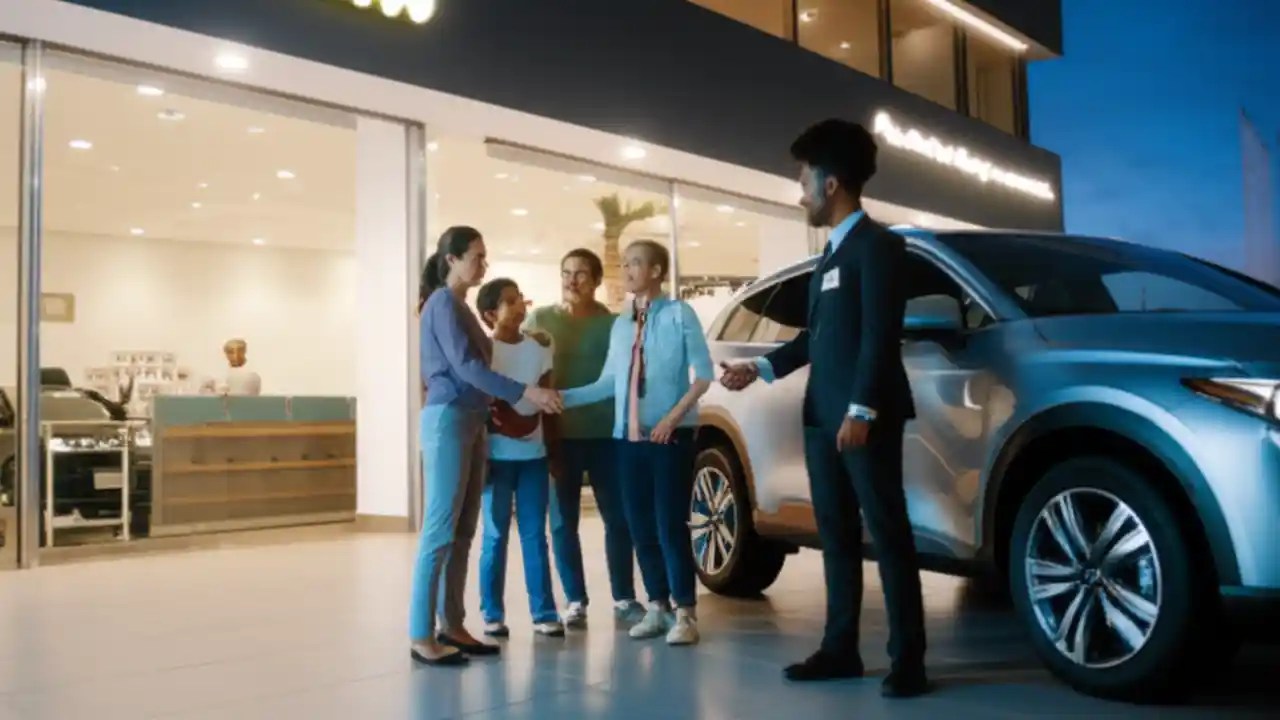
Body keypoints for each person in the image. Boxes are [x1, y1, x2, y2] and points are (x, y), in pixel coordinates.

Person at [720, 119, 928, 697]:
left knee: (888, 535)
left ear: (831, 183)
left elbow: (879, 338)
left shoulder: (881, 247)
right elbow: (816, 338)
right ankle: (840, 649)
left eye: (804, 179)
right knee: (836, 535)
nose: (800, 192)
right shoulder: (829, 257)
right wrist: (758, 369)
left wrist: (862, 411)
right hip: (820, 418)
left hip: (864, 418)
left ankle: (909, 659)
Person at [410, 226, 563, 666]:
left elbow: (480, 365)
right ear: (452, 259)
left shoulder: (459, 307)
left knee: (462, 531)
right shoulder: (441, 303)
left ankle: (452, 624)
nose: (483, 264)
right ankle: (422, 634)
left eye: (484, 256)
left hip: (472, 422)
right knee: (439, 530)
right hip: (449, 420)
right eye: (476, 256)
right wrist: (526, 393)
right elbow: (466, 367)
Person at [562, 240, 713, 646]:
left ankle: (686, 612)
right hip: (626, 440)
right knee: (638, 525)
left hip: (670, 437)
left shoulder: (681, 315)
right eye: (625, 263)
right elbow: (608, 383)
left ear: (657, 271)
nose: (626, 270)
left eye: (635, 263)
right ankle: (658, 606)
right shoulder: (623, 323)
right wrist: (558, 399)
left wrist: (672, 418)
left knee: (669, 524)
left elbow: (704, 375)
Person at [524, 248, 643, 629]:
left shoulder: (614, 324)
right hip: (559, 437)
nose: (571, 280)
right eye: (566, 272)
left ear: (595, 280)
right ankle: (575, 599)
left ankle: (625, 597)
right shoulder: (540, 320)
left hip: (607, 435)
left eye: (580, 274)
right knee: (562, 522)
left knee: (618, 518)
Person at [474, 277, 565, 638]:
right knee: (495, 536)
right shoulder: (484, 351)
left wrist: (555, 452)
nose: (518, 307)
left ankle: (544, 611)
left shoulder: (540, 348)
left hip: (534, 457)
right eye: (507, 302)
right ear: (489, 313)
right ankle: (492, 612)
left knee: (534, 534)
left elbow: (549, 400)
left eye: (519, 300)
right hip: (495, 458)